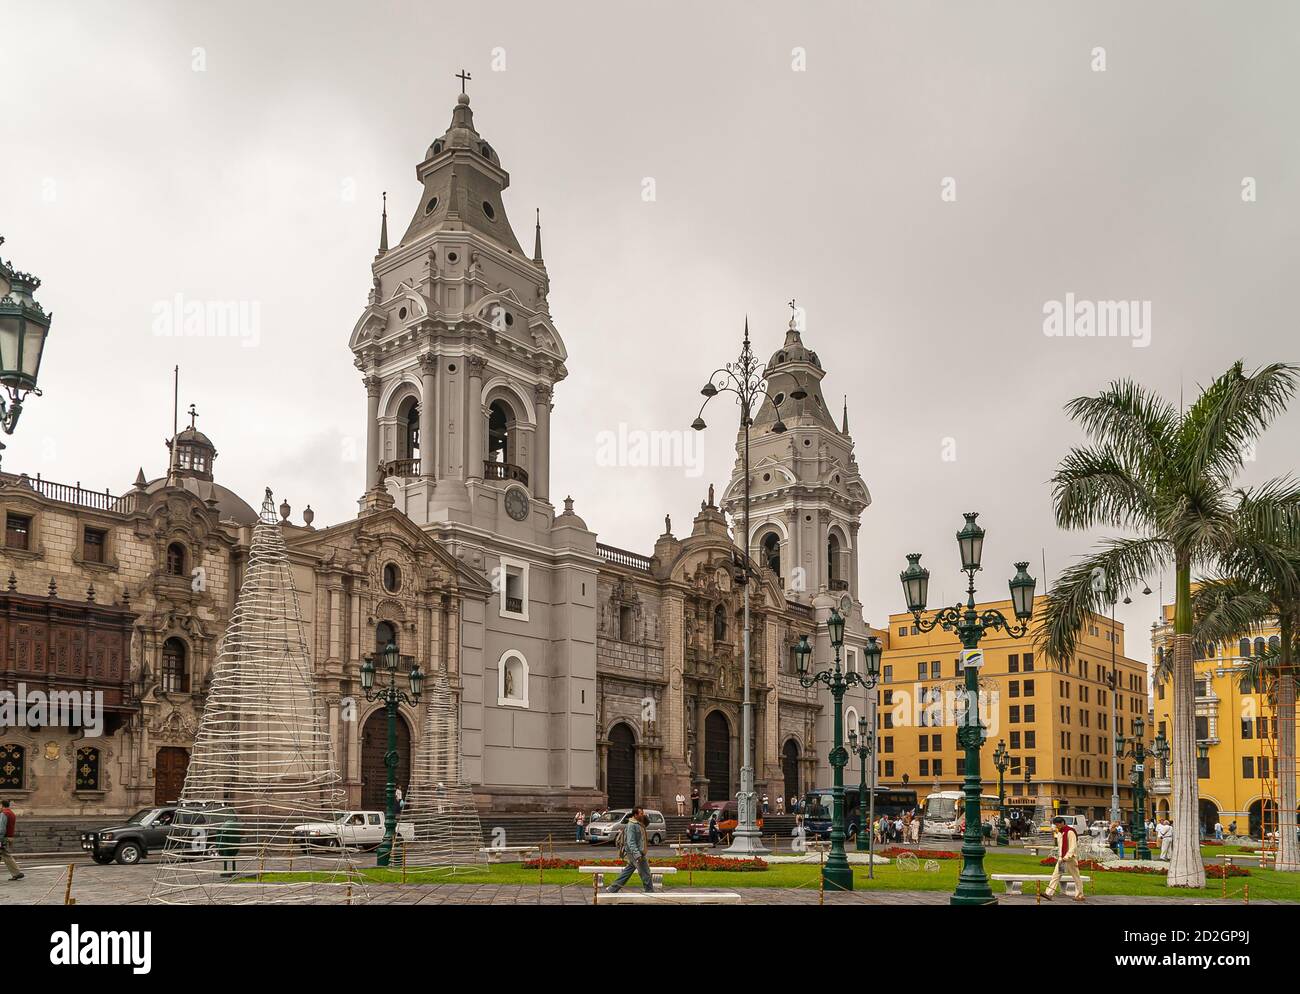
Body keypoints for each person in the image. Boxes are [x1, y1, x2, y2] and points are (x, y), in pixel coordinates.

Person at [606, 808, 653, 893]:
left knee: (627, 872)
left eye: (643, 813)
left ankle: (612, 889)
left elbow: (647, 823)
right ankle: (650, 892)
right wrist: (637, 855)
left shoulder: (639, 823)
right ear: (635, 815)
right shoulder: (632, 825)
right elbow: (631, 842)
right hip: (636, 853)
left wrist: (644, 817)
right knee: (646, 873)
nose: (643, 815)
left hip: (636, 853)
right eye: (641, 813)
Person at [1043, 815, 1084, 902]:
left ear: (1062, 823)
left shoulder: (1070, 832)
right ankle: (1049, 893)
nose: (1056, 826)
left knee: (1076, 877)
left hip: (1070, 858)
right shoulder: (1060, 832)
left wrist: (1067, 856)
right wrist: (1061, 857)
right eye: (1055, 825)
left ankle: (1080, 895)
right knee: (1056, 875)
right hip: (1062, 858)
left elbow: (1073, 846)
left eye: (1057, 824)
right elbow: (1061, 846)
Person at [0, 800, 22, 881]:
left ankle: (17, 873)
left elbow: (1, 829)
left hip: (2, 838)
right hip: (8, 837)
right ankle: (16, 873)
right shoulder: (12, 813)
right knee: (3, 853)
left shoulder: (4, 813)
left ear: (2, 805)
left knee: (5, 854)